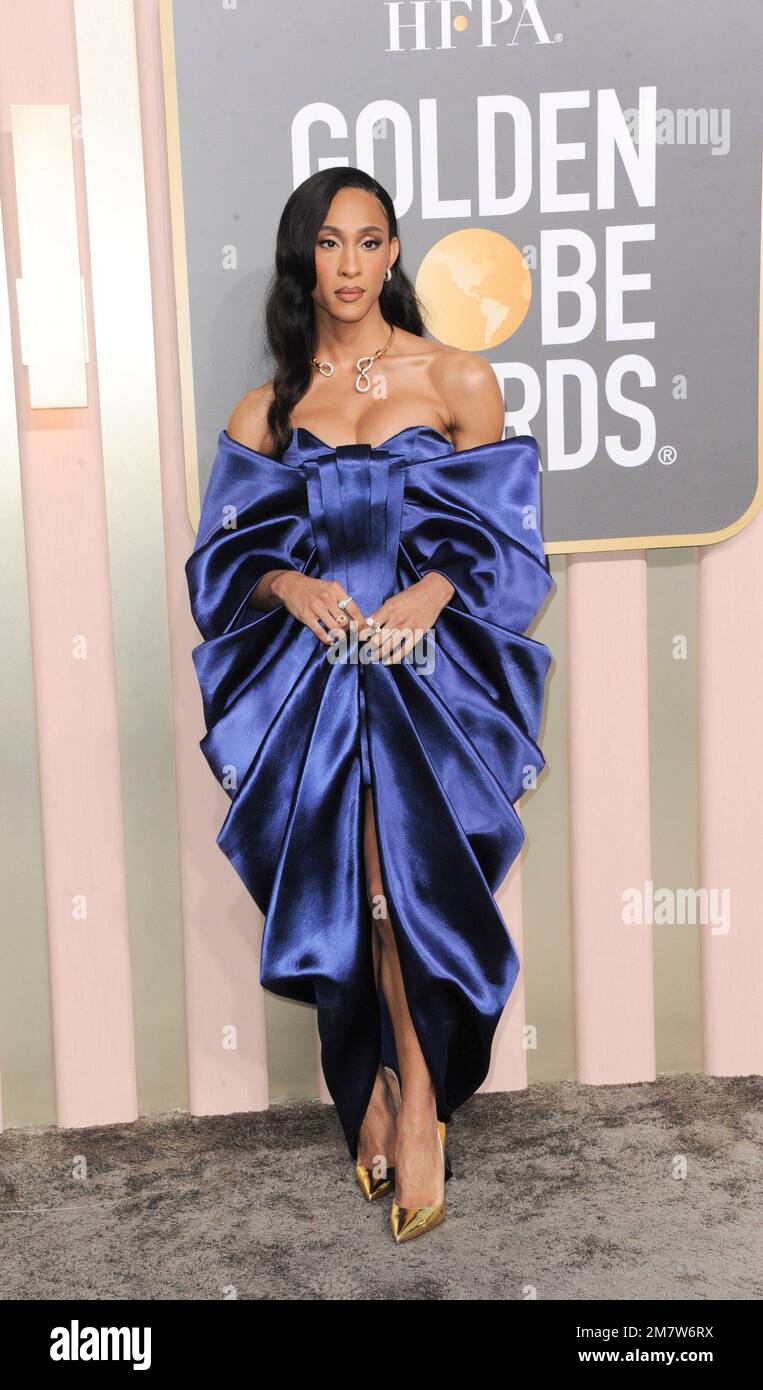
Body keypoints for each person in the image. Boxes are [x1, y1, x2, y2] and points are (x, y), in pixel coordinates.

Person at [185, 167, 553, 1243]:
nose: (349, 265)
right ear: (307, 258)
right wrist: (287, 583)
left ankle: (415, 1102)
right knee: (356, 888)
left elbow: (506, 548)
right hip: (315, 681)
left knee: (399, 882)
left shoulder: (458, 377)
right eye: (329, 244)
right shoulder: (270, 405)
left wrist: (431, 589)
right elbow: (223, 560)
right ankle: (389, 1091)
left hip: (425, 677)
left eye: (370, 241)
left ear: (396, 253)